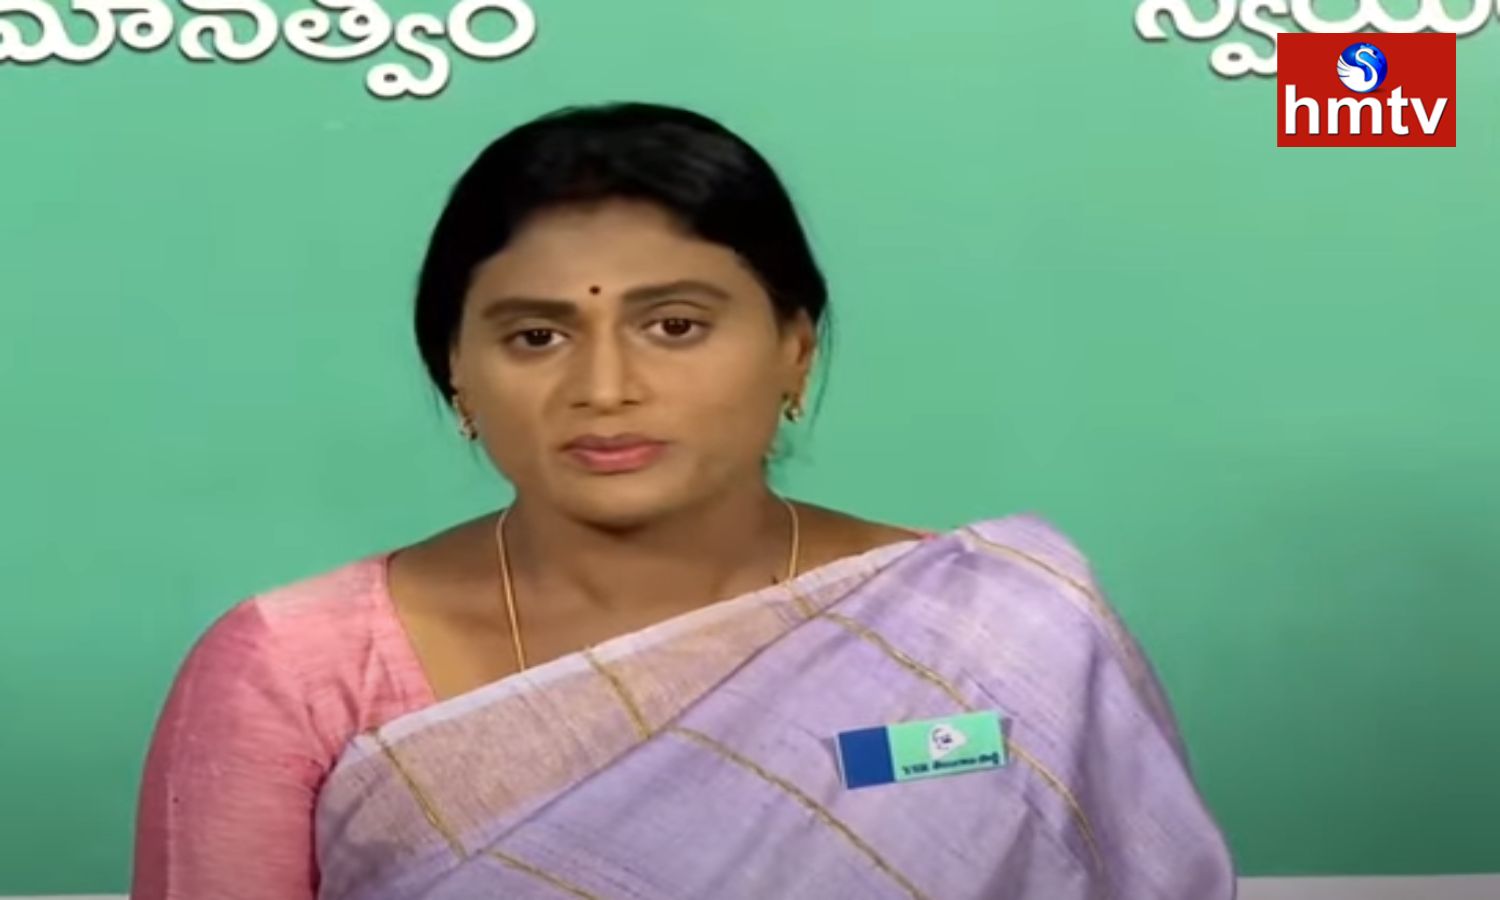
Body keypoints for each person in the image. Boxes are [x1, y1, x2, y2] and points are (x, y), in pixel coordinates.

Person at [131, 101, 1235, 900]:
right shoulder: (296, 667)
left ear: (794, 349)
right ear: (457, 373)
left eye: (675, 325)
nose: (605, 386)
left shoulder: (990, 628)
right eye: (536, 336)